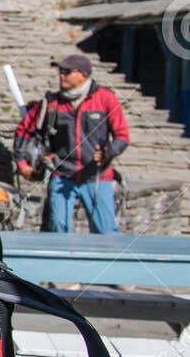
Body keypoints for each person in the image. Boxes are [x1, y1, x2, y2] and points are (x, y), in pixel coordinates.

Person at [14, 54, 129, 234]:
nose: (61, 75)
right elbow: (23, 131)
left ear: (83, 75)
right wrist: (21, 163)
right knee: (58, 228)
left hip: (97, 175)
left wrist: (108, 152)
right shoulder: (50, 104)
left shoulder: (106, 99)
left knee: (105, 231)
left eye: (66, 72)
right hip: (61, 175)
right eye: (60, 71)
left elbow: (122, 136)